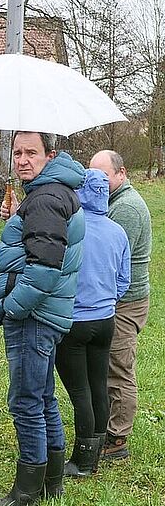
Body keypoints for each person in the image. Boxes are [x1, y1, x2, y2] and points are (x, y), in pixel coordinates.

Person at [0, 132, 85, 506]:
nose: (23, 159)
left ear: (50, 155)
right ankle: (51, 485)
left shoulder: (45, 199)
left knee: (26, 401)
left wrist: (12, 307)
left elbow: (44, 269)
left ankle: (25, 495)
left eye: (31, 153)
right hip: (47, 316)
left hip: (34, 318)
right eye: (18, 152)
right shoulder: (53, 193)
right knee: (42, 398)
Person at [56, 169, 128, 478]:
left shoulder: (71, 228)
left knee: (80, 391)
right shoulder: (117, 231)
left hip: (75, 322)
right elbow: (124, 280)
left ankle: (83, 461)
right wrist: (105, 299)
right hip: (106, 320)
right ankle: (96, 453)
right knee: (98, 384)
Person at [90, 150, 150, 462]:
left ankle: (117, 437)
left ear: (121, 173)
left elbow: (107, 255)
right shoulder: (112, 201)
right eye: (93, 176)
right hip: (117, 298)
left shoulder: (126, 207)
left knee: (119, 368)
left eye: (103, 176)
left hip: (126, 302)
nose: (97, 181)